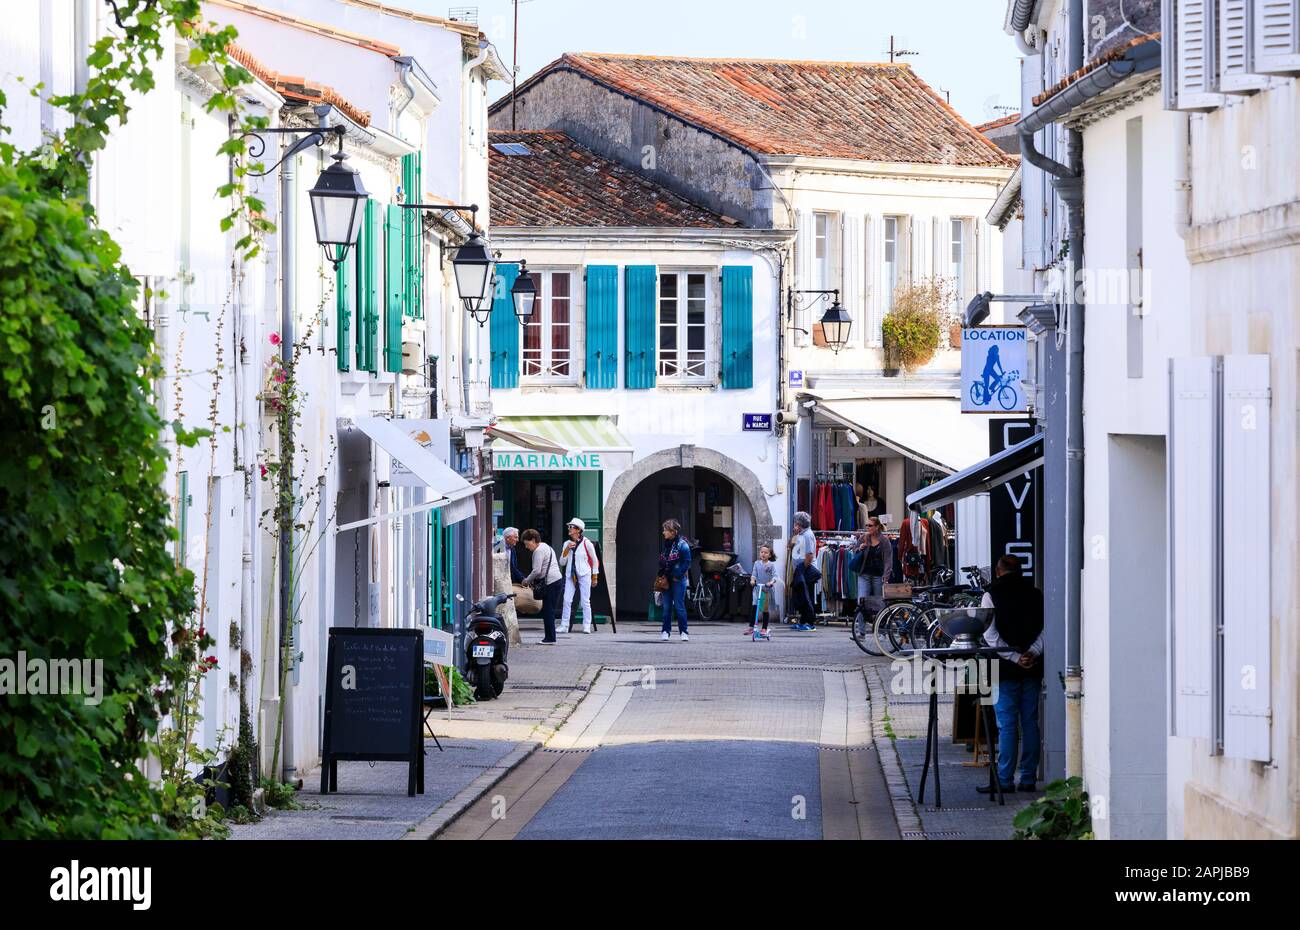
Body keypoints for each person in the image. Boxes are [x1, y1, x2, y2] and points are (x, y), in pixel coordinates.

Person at [977, 554, 1045, 795]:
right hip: (1033, 667)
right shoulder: (1036, 593)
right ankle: (1028, 778)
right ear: (1020, 570)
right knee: (1030, 723)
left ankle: (1004, 780)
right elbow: (1045, 629)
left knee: (1006, 726)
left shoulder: (990, 595)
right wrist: (1031, 654)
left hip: (1004, 669)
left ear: (998, 571)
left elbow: (989, 635)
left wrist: (1015, 657)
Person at [519, 529, 563, 644]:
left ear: (533, 540)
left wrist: (526, 581)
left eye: (527, 544)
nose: (526, 547)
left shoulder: (538, 551)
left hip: (550, 582)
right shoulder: (546, 547)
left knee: (548, 611)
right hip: (556, 580)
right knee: (550, 610)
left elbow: (537, 571)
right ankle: (550, 637)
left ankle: (550, 638)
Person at [557, 517, 599, 634]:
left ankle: (586, 625)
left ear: (578, 530)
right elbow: (562, 562)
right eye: (569, 527)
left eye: (571, 527)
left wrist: (594, 575)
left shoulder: (587, 543)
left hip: (584, 574)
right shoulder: (567, 543)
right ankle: (564, 625)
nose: (569, 529)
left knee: (585, 601)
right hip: (571, 575)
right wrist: (566, 550)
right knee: (566, 600)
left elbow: (595, 560)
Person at [658, 519, 691, 641]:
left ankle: (684, 631)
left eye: (665, 530)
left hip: (678, 580)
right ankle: (665, 631)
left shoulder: (683, 545)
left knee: (679, 606)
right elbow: (662, 560)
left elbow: (687, 562)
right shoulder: (666, 544)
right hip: (667, 578)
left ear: (673, 532)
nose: (663, 532)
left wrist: (678, 575)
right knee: (666, 607)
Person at [852, 516, 892, 616]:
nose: (867, 527)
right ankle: (860, 630)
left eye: (870, 525)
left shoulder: (884, 541)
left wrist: (886, 576)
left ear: (877, 527)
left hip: (878, 576)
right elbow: (854, 550)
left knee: (879, 603)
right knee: (861, 601)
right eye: (866, 525)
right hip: (864, 575)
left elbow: (888, 560)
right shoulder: (863, 538)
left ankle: (879, 626)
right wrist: (859, 548)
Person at [786, 511, 819, 631]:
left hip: (806, 570)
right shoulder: (800, 534)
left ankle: (810, 623)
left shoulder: (807, 535)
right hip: (800, 570)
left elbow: (809, 555)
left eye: (795, 522)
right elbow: (789, 546)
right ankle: (803, 621)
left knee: (807, 596)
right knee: (801, 596)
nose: (794, 524)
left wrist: (801, 570)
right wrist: (794, 534)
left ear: (799, 524)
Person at [747, 544, 777, 637]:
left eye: (766, 552)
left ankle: (764, 628)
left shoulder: (771, 565)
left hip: (766, 589)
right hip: (757, 588)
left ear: (770, 555)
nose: (763, 554)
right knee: (754, 606)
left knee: (765, 609)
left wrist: (771, 582)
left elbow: (775, 576)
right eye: (762, 552)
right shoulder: (757, 563)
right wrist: (752, 580)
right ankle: (751, 626)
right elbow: (754, 574)